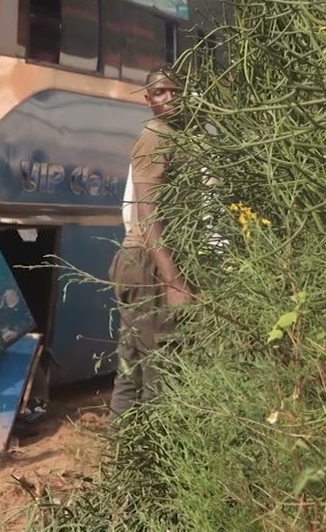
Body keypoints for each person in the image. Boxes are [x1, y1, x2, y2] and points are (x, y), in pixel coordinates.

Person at [108, 66, 195, 421]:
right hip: (150, 261)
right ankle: (155, 460)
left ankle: (124, 460)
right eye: (160, 93)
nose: (169, 98)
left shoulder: (175, 133)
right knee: (161, 367)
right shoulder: (156, 134)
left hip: (144, 260)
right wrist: (171, 278)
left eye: (175, 91)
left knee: (133, 365)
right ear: (147, 100)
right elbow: (147, 209)